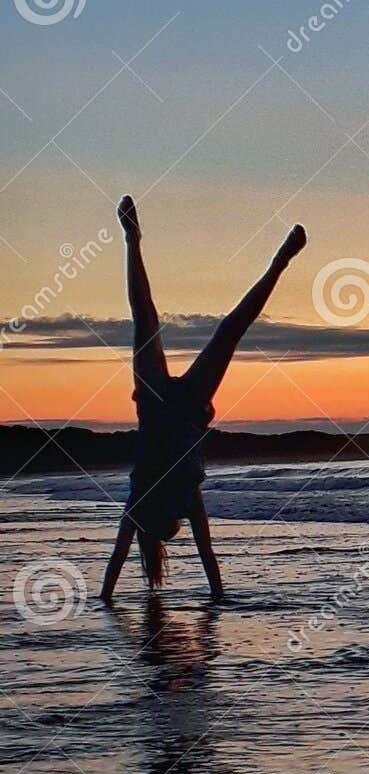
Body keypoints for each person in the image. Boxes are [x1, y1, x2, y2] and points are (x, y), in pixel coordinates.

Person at [100, 195, 307, 602]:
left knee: (221, 329)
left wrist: (218, 596)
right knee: (155, 321)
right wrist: (217, 598)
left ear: (164, 524)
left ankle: (279, 262)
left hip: (175, 407)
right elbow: (193, 558)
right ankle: (133, 242)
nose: (178, 527)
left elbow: (205, 558)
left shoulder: (166, 503)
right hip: (167, 407)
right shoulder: (145, 505)